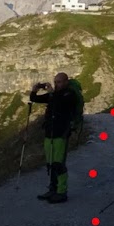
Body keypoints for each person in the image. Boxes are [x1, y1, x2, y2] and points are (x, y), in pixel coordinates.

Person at [28, 71, 84, 203]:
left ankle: (62, 192)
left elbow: (60, 103)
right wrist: (34, 91)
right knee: (51, 163)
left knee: (58, 164)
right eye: (55, 82)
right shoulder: (56, 95)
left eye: (59, 82)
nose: (56, 84)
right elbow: (35, 99)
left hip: (61, 133)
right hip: (50, 133)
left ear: (66, 82)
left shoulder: (69, 95)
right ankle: (53, 189)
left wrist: (52, 92)